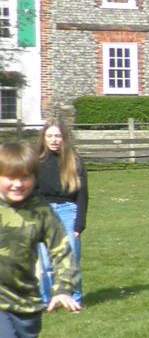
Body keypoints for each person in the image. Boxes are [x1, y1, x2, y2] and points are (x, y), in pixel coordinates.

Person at [0, 141, 81, 338]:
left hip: (27, 299)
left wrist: (62, 289)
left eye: (25, 178)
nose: (18, 184)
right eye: (10, 177)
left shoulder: (41, 210)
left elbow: (62, 250)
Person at [35, 116, 87, 309]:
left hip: (68, 211)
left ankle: (75, 299)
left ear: (63, 138)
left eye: (57, 136)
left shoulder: (74, 161)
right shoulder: (36, 161)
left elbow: (83, 194)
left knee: (71, 258)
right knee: (46, 262)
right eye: (50, 136)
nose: (54, 140)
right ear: (44, 138)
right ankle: (46, 301)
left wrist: (79, 224)